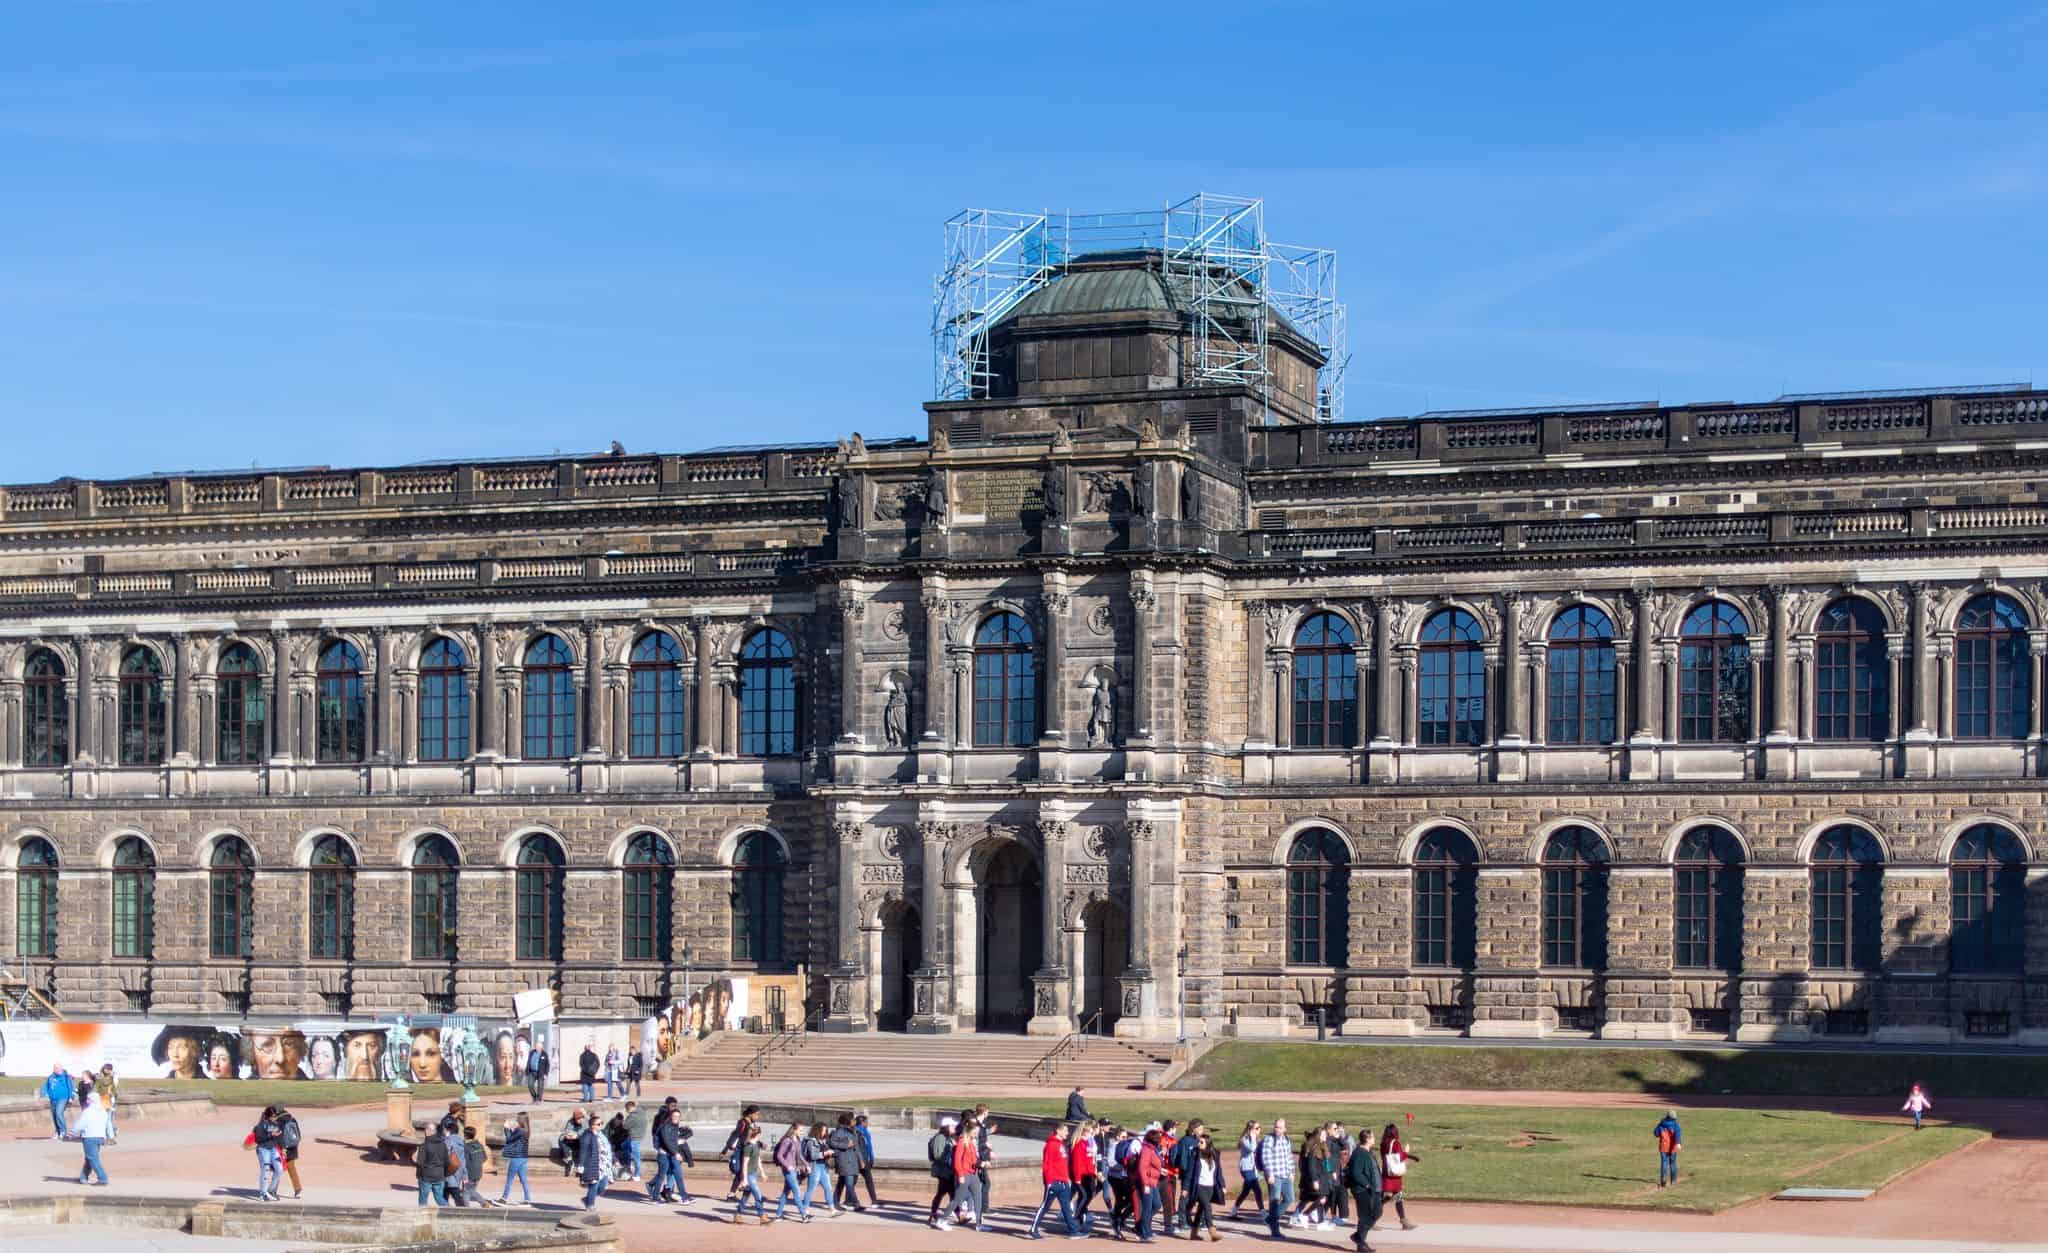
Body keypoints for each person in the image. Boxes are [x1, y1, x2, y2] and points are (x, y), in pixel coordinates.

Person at [1029, 1120, 1086, 1240]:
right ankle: (1033, 1228)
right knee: (1045, 1206)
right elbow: (1047, 1165)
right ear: (1058, 1130)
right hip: (1053, 1182)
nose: (1067, 1132)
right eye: (1065, 1130)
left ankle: (1073, 1231)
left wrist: (1067, 1179)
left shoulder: (1061, 1144)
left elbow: (1062, 1165)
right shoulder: (1051, 1145)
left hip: (1063, 1182)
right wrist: (1049, 1181)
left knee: (1066, 1208)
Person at [1343, 1122, 1384, 1251]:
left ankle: (1358, 1237)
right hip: (1362, 1190)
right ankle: (1360, 1242)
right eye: (1372, 1137)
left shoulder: (1367, 1152)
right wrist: (1366, 1184)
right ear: (1367, 1139)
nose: (1374, 1139)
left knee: (1376, 1212)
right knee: (1366, 1215)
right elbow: (1355, 1172)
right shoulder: (1360, 1153)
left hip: (1373, 1189)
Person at [1258, 1118, 1296, 1241]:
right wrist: (1269, 1174)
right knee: (1274, 1202)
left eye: (1279, 1127)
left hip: (1286, 1175)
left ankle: (1270, 1219)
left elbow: (1289, 1157)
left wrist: (1292, 1172)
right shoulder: (1269, 1139)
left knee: (1289, 1199)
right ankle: (1275, 1232)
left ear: (1285, 1129)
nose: (1276, 1129)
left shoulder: (1286, 1139)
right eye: (1275, 1126)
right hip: (1275, 1176)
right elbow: (1266, 1158)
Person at [1187, 1127, 1224, 1243]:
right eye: (1198, 1141)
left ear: (1207, 1144)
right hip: (1199, 1186)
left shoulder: (1214, 1156)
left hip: (1210, 1187)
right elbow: (1190, 1173)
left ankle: (1194, 1233)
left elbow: (1219, 1172)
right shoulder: (1195, 1156)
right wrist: (1185, 1188)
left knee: (1201, 1210)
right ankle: (1212, 1232)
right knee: (1208, 1207)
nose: (1199, 1144)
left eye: (1201, 1142)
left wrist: (1222, 1185)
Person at [1380, 1122, 1418, 1230]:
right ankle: (1371, 1218)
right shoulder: (1395, 1143)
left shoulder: (1383, 1143)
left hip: (1387, 1173)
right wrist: (1406, 1152)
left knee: (1393, 1197)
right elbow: (1399, 1157)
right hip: (1394, 1176)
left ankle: (1403, 1221)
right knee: (1391, 1197)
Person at [951, 1113, 984, 1231]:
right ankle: (943, 1218)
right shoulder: (962, 1141)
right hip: (964, 1173)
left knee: (976, 1196)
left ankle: (978, 1222)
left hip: (971, 1172)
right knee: (957, 1198)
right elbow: (957, 1160)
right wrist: (960, 1174)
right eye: (975, 1132)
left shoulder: (970, 1142)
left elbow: (974, 1159)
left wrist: (981, 1163)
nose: (976, 1134)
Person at [773, 1121, 810, 1222]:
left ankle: (778, 1215)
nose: (802, 1132)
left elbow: (800, 1155)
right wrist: (787, 1165)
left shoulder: (797, 1140)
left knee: (785, 1193)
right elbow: (779, 1155)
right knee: (797, 1191)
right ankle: (804, 1215)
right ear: (794, 1129)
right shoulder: (787, 1141)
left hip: (793, 1169)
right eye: (800, 1130)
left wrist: (806, 1165)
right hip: (788, 1170)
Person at [732, 1123, 769, 1225]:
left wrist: (762, 1173)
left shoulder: (756, 1145)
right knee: (758, 1196)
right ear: (758, 1134)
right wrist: (744, 1179)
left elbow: (758, 1160)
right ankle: (761, 1216)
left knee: (745, 1196)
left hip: (753, 1173)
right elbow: (745, 1164)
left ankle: (737, 1215)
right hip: (748, 1175)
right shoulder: (748, 1147)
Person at [1134, 1126, 1166, 1243]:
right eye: (1159, 1137)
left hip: (1153, 1182)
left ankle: (1141, 1227)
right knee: (1147, 1209)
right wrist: (1145, 1184)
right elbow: (1142, 1168)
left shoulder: (1152, 1149)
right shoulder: (1147, 1150)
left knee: (1156, 1205)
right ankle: (1144, 1233)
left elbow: (1152, 1166)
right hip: (1147, 1183)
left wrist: (1160, 1171)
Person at [829, 1112, 866, 1212]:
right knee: (849, 1184)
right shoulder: (839, 1131)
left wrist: (861, 1160)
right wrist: (846, 1145)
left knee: (841, 1183)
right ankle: (856, 1203)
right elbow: (832, 1143)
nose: (855, 1121)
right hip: (844, 1161)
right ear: (848, 1121)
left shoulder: (854, 1132)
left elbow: (857, 1147)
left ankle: (835, 1202)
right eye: (853, 1119)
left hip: (853, 1161)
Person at [927, 1116, 959, 1230]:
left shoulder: (948, 1137)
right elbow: (938, 1155)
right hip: (943, 1171)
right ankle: (958, 1215)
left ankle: (934, 1213)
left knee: (947, 1193)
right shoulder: (940, 1138)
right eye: (952, 1126)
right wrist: (951, 1151)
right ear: (946, 1127)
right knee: (951, 1193)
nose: (954, 1127)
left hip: (947, 1171)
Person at [74, 1091, 112, 1187]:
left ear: (92, 1100)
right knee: (89, 1158)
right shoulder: (103, 1110)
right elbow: (106, 1124)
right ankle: (83, 1177)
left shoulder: (88, 1111)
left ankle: (103, 1178)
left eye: (88, 1099)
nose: (86, 1101)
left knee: (92, 1158)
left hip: (89, 1137)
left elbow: (81, 1124)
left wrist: (72, 1132)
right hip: (99, 1137)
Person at [576, 1105, 610, 1211]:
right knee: (593, 1185)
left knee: (603, 1186)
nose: (601, 1125)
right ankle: (590, 1205)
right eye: (599, 1124)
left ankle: (587, 1199)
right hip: (592, 1164)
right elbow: (583, 1151)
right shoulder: (587, 1136)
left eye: (601, 1123)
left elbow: (607, 1148)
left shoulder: (601, 1134)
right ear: (592, 1126)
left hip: (603, 1164)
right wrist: (581, 1165)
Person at [414, 1116, 453, 1207]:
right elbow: (447, 1161)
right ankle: (450, 1211)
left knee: (423, 1199)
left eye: (425, 1130)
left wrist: (418, 1174)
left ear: (428, 1131)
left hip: (426, 1175)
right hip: (439, 1174)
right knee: (439, 1198)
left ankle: (422, 1216)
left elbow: (420, 1163)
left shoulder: (424, 1145)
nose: (424, 1132)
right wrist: (445, 1174)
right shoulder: (443, 1144)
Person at [803, 1121, 839, 1215]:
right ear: (817, 1130)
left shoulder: (823, 1141)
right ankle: (805, 1208)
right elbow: (812, 1155)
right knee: (811, 1189)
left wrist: (830, 1153)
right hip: (815, 1166)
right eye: (823, 1131)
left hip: (823, 1166)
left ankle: (832, 1209)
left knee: (828, 1188)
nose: (824, 1133)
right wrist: (824, 1153)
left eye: (825, 1131)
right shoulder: (811, 1141)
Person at [723, 1105, 760, 1198]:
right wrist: (724, 1150)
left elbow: (752, 1137)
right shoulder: (742, 1123)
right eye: (756, 1114)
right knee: (740, 1172)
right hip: (740, 1150)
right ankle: (734, 1192)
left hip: (746, 1150)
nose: (757, 1117)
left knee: (742, 1172)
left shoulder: (751, 1123)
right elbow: (734, 1136)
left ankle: (733, 1193)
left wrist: (760, 1144)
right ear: (750, 1114)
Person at [251, 1105, 285, 1202]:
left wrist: (283, 1148)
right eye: (274, 1116)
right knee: (265, 1171)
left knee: (279, 1169)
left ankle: (270, 1191)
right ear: (268, 1116)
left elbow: (279, 1137)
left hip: (273, 1149)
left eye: (276, 1116)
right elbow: (258, 1139)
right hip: (263, 1150)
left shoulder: (276, 1124)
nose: (276, 1118)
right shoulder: (260, 1126)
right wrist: (270, 1134)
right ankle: (262, 1194)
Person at [1232, 1120, 1264, 1217]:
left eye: (1259, 1127)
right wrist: (1253, 1137)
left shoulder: (1255, 1139)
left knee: (1245, 1191)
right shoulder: (1244, 1139)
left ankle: (1234, 1210)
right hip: (1246, 1169)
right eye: (1257, 1128)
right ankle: (1263, 1212)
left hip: (1252, 1169)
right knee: (1257, 1190)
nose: (1259, 1130)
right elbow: (1252, 1149)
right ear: (1250, 1129)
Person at [499, 1113, 532, 1206]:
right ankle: (527, 1199)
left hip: (517, 1157)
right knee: (523, 1179)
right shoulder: (526, 1130)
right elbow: (515, 1138)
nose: (516, 1120)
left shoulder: (520, 1130)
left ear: (521, 1120)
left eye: (518, 1119)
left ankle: (503, 1199)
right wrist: (512, 1129)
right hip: (523, 1157)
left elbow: (509, 1139)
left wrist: (506, 1128)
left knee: (509, 1179)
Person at [1070, 1118, 1101, 1220]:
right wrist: (1077, 1178)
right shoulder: (1079, 1144)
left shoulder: (1086, 1143)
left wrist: (1094, 1173)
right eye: (1090, 1132)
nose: (1091, 1134)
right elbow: (1077, 1163)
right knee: (1084, 1196)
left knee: (1089, 1194)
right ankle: (1076, 1217)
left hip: (1088, 1174)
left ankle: (1081, 1215)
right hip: (1082, 1175)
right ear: (1084, 1132)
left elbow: (1089, 1161)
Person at [854, 1112, 881, 1208]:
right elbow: (860, 1148)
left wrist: (871, 1158)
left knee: (851, 1182)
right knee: (867, 1181)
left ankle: (847, 1200)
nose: (868, 1123)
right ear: (862, 1122)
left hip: (865, 1160)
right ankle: (874, 1201)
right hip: (861, 1161)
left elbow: (868, 1147)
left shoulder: (865, 1132)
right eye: (866, 1122)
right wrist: (863, 1160)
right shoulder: (858, 1132)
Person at [40, 1064, 74, 1139]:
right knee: (54, 1115)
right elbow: (46, 1086)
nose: (55, 1070)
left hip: (63, 1097)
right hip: (53, 1099)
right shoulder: (51, 1077)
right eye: (55, 1068)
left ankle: (63, 1131)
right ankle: (58, 1131)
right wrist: (43, 1094)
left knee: (59, 1113)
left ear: (61, 1069)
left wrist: (71, 1097)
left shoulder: (66, 1077)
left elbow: (71, 1087)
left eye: (57, 1068)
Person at [459, 1123, 489, 1208]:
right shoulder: (479, 1145)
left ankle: (471, 1207)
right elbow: (485, 1158)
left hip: (469, 1173)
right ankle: (482, 1203)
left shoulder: (466, 1147)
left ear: (465, 1135)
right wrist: (477, 1164)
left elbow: (464, 1162)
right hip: (478, 1172)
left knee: (467, 1191)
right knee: (471, 1190)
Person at [277, 1105, 304, 1198]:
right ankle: (297, 1187)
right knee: (291, 1168)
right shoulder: (292, 1119)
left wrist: (281, 1147)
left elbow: (278, 1136)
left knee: (277, 1168)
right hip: (293, 1147)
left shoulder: (278, 1121)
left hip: (283, 1148)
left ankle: (273, 1190)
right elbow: (298, 1134)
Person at [1652, 1110, 1681, 1190]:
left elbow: (1656, 1133)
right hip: (1673, 1147)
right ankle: (1673, 1181)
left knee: (1664, 1163)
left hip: (1663, 1147)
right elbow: (1678, 1134)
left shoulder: (1662, 1124)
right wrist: (1678, 1143)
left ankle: (1663, 1180)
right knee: (1673, 1163)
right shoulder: (1675, 1125)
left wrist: (1660, 1124)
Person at [558, 1110, 589, 1177]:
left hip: (583, 1142)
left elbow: (586, 1132)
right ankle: (569, 1160)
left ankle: (581, 1165)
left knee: (584, 1139)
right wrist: (568, 1135)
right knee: (561, 1138)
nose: (579, 1120)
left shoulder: (586, 1121)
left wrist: (577, 1135)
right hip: (573, 1140)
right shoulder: (571, 1121)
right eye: (577, 1118)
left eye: (580, 1118)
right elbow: (567, 1131)